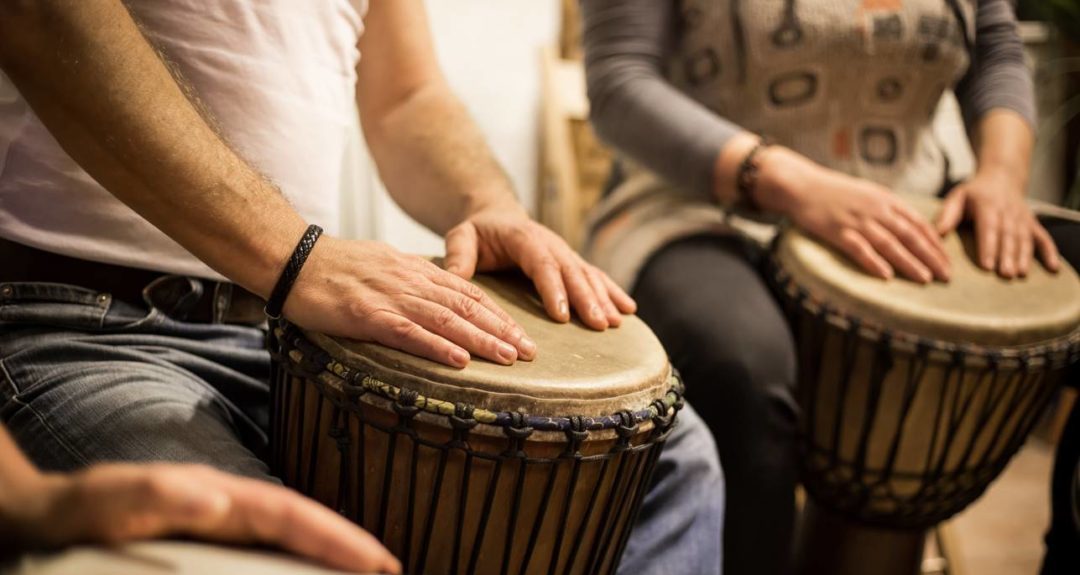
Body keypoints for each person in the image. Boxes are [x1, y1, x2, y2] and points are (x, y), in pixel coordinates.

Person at [0, 1, 724, 573]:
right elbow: (40, 15)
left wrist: (488, 203)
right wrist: (297, 258)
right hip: (91, 331)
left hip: (293, 338)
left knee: (665, 460)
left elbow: (405, 96)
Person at [579, 1, 1062, 573]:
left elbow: (996, 49)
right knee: (741, 367)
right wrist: (791, 181)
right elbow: (620, 82)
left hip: (911, 208)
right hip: (698, 208)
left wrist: (1002, 176)